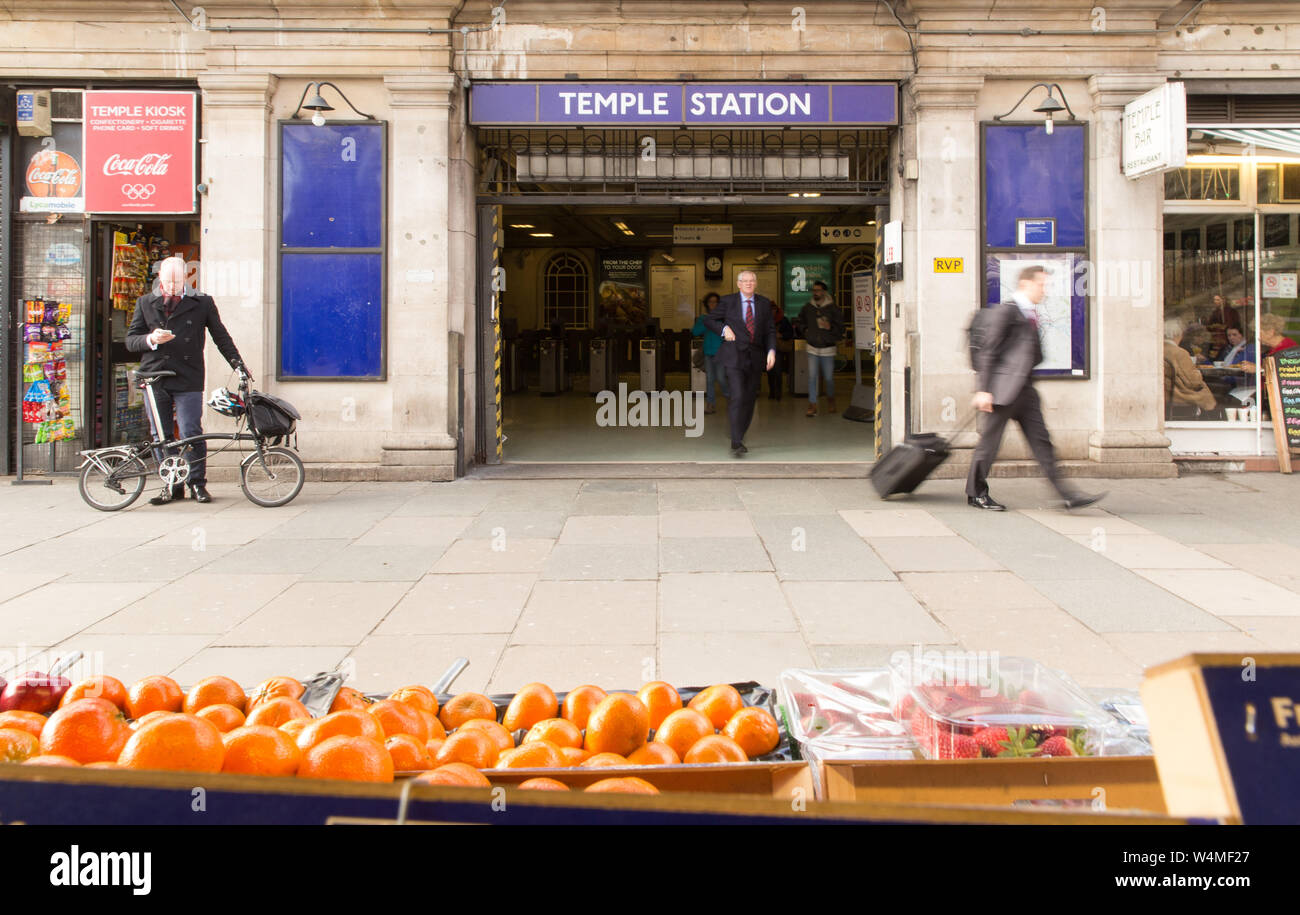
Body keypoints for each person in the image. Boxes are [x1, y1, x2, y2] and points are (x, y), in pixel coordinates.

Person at [966, 264, 1104, 511]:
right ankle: (976, 493)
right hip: (1002, 391)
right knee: (990, 444)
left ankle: (1068, 494)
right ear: (1026, 284)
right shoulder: (1007, 312)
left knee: (1042, 443)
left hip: (1025, 392)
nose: (1045, 290)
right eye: (1041, 285)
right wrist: (983, 389)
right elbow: (988, 351)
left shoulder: (1029, 313)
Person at [126, 256, 248, 504]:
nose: (172, 286)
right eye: (168, 281)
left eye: (177, 281)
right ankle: (172, 484)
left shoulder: (202, 302)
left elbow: (220, 337)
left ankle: (197, 484)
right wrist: (150, 339)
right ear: (160, 278)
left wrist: (238, 365)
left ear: (186, 278)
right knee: (161, 434)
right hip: (154, 375)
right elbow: (131, 340)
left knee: (191, 431)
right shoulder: (145, 303)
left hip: (188, 375)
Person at [702, 271, 776, 457]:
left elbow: (770, 331)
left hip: (756, 357)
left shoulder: (764, 304)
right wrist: (724, 328)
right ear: (738, 284)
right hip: (734, 356)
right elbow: (710, 320)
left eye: (752, 280)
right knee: (737, 395)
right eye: (745, 281)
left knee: (750, 399)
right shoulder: (728, 301)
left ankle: (739, 433)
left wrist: (772, 351)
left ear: (756, 283)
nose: (748, 283)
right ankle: (736, 441)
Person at [795, 280, 844, 416]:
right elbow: (799, 321)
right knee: (812, 377)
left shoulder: (833, 309)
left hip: (828, 348)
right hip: (812, 347)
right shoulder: (807, 308)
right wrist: (805, 331)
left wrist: (830, 328)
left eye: (818, 290)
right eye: (814, 290)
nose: (815, 293)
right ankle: (812, 404)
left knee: (828, 378)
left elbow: (841, 328)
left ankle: (830, 399)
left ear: (824, 292)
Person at [1163, 317, 1218, 418]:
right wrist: (1197, 373)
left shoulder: (1159, 349)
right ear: (1178, 334)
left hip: (1165, 395)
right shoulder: (1179, 352)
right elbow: (1193, 382)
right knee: (1209, 395)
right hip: (1179, 396)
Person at [690, 292, 728, 415]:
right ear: (707, 304)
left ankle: (731, 399)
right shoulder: (703, 318)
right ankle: (710, 405)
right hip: (708, 353)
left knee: (721, 379)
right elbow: (695, 332)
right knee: (710, 379)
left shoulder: (724, 318)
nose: (713, 304)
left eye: (715, 302)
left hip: (721, 353)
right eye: (711, 302)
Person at [766, 301, 794, 400]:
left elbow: (790, 333)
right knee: (770, 372)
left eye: (774, 309)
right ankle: (772, 391)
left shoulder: (783, 320)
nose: (772, 311)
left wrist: (781, 335)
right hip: (768, 349)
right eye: (770, 309)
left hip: (779, 349)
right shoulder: (764, 320)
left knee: (777, 371)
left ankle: (778, 392)